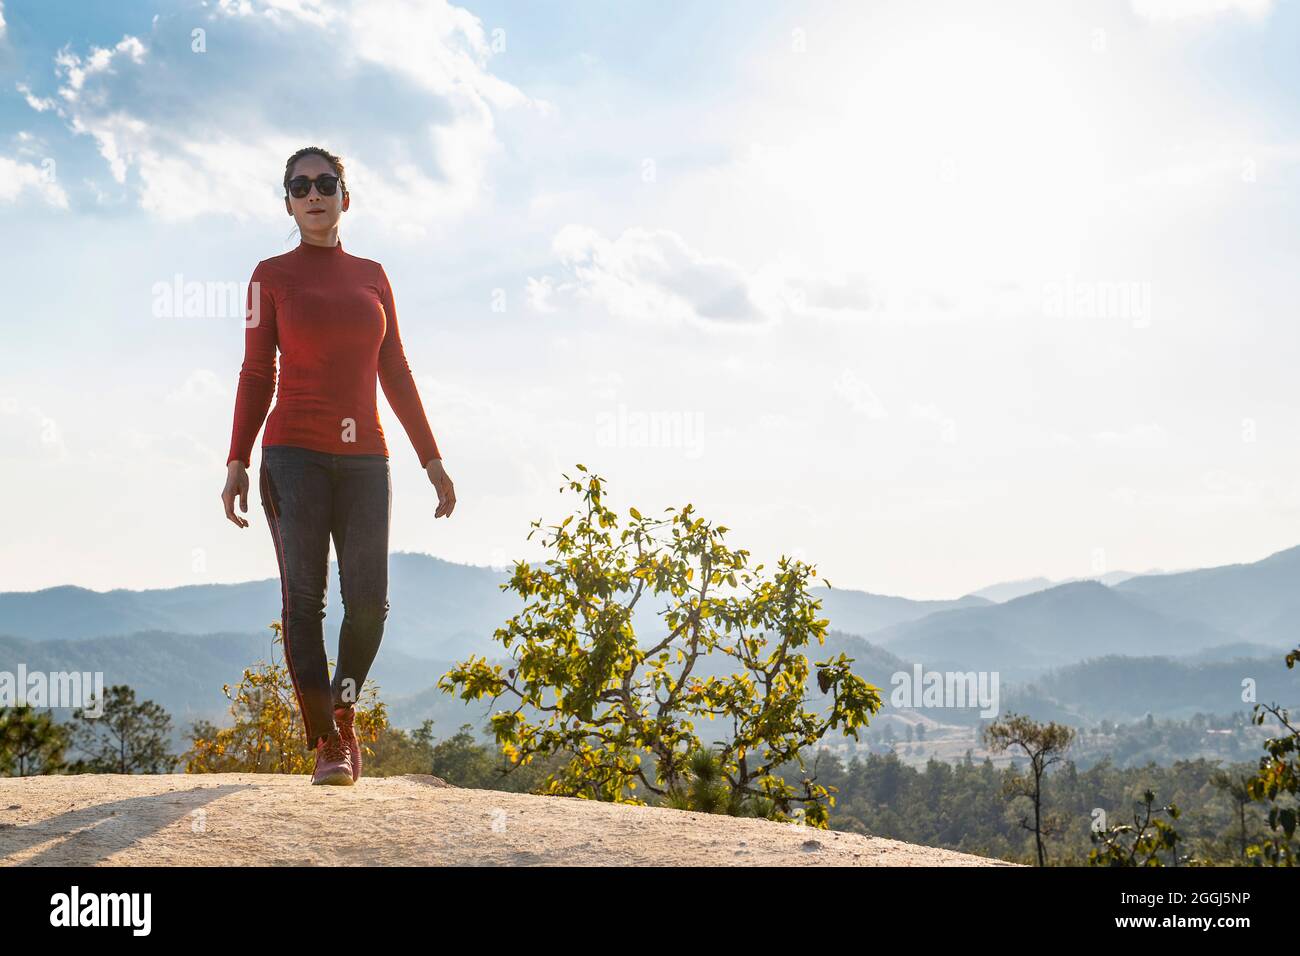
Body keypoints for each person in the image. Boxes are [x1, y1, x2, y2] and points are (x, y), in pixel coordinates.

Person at [220, 146, 456, 785]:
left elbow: (396, 370)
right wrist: (237, 458)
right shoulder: (267, 276)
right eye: (300, 186)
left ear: (345, 197)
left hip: (364, 458)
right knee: (305, 601)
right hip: (292, 453)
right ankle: (327, 740)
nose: (314, 193)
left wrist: (431, 459)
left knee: (370, 604)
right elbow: (254, 372)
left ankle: (344, 710)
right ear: (289, 202)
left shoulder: (374, 276)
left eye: (326, 183)